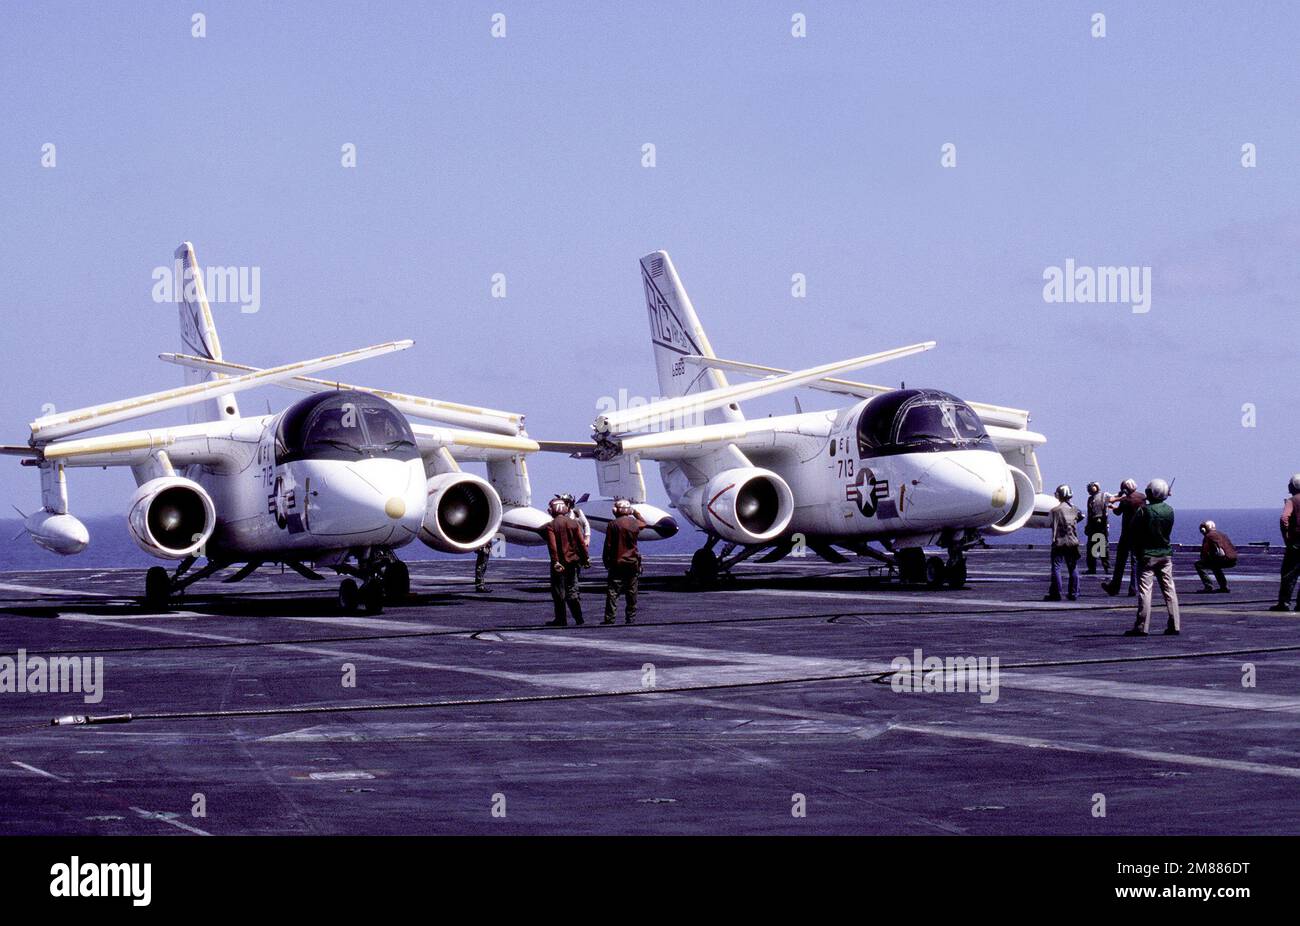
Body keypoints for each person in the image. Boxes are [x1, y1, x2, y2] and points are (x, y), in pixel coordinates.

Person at [1125, 478, 1181, 636]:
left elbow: (1133, 529)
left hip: (1147, 555)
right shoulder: (1170, 510)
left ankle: (1142, 627)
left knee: (1145, 592)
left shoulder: (1144, 510)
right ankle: (1175, 624)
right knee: (1170, 590)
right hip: (1165, 554)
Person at [542, 497, 589, 626]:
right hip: (573, 562)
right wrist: (585, 559)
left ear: (552, 510)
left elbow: (553, 547)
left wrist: (556, 561)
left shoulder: (551, 525)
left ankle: (561, 619)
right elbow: (581, 543)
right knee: (572, 591)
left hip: (559, 565)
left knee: (559, 593)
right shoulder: (574, 523)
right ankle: (579, 619)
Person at [602, 498, 647, 624]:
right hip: (633, 562)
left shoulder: (613, 524)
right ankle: (630, 618)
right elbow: (644, 523)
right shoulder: (635, 523)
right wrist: (635, 513)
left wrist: (606, 561)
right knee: (632, 591)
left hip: (617, 562)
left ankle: (610, 618)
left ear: (616, 510)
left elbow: (608, 546)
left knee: (613, 591)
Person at [1103, 478, 1145, 596]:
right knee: (1135, 562)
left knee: (1120, 561)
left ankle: (1114, 587)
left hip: (1126, 534)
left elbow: (1118, 512)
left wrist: (1114, 506)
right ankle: (1134, 588)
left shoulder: (1126, 500)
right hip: (1139, 534)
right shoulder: (1142, 497)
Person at [1045, 484, 1083, 601]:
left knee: (1056, 568)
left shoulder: (1055, 511)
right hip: (1072, 542)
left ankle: (1056, 593)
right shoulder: (1075, 509)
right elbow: (1081, 517)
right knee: (1073, 568)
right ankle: (1074, 593)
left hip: (1059, 542)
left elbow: (1048, 524)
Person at [1270, 474, 1300, 612]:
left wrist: (1287, 536)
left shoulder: (1292, 501)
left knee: (1289, 573)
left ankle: (1284, 603)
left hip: (1296, 542)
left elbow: (1284, 519)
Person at [1193, 520, 1237, 593]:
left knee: (1199, 565)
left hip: (1224, 559)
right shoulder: (1222, 534)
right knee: (1215, 566)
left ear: (1204, 529)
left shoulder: (1208, 536)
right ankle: (1223, 587)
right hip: (1233, 559)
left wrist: (1205, 558)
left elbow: (1204, 552)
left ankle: (1208, 586)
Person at [1084, 481, 1111, 575]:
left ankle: (1106, 567)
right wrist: (1087, 526)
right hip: (1093, 525)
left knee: (1103, 547)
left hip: (1101, 525)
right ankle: (1092, 568)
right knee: (1092, 548)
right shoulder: (1090, 499)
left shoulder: (1104, 496)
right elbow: (1089, 513)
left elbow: (1113, 499)